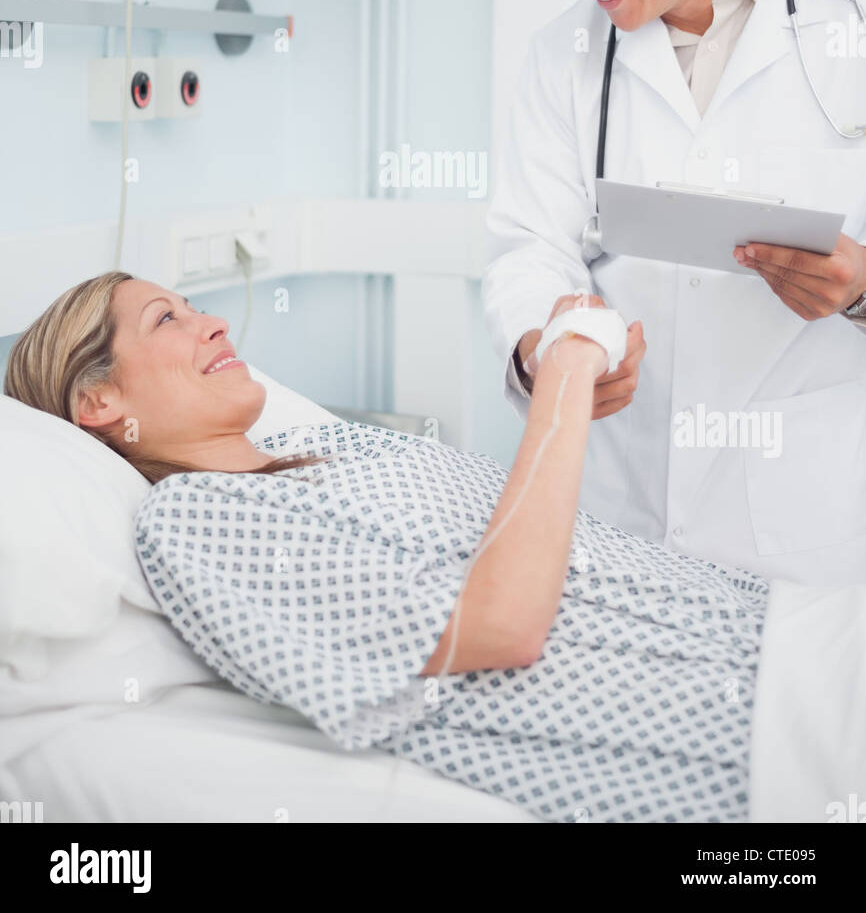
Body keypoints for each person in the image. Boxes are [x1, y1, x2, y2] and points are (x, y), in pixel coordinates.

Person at [5, 271, 772, 824]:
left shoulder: (317, 443)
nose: (213, 323)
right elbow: (501, 625)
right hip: (745, 733)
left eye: (192, 306)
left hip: (767, 625)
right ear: (98, 401)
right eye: (165, 321)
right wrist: (564, 380)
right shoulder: (193, 520)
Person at [483, 0, 866, 587]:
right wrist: (541, 348)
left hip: (807, 542)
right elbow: (527, 246)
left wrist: (862, 292)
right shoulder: (562, 60)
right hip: (615, 520)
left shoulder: (851, 42)